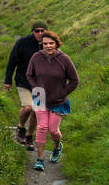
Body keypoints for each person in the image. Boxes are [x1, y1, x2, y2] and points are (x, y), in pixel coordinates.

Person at [26, 31, 79, 171]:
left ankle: (57, 147)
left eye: (51, 43)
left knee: (53, 130)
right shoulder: (36, 57)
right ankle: (40, 159)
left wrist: (62, 93)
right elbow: (29, 75)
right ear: (42, 45)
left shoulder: (64, 59)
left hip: (58, 100)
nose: (48, 46)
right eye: (45, 44)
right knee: (42, 127)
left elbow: (75, 81)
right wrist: (35, 87)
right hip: (39, 97)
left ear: (56, 43)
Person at [4, 22, 47, 150]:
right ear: (32, 31)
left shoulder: (48, 44)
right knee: (28, 107)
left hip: (40, 84)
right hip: (23, 81)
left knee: (37, 111)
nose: (40, 33)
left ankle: (29, 137)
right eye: (37, 31)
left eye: (42, 31)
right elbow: (12, 61)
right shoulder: (23, 43)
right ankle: (21, 127)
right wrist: (8, 80)